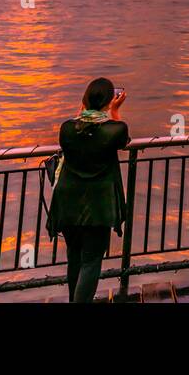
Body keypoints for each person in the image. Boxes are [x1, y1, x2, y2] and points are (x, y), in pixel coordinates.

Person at [47, 77, 130, 303]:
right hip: (98, 207)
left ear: (84, 101)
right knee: (91, 261)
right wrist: (114, 111)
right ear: (109, 100)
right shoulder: (115, 130)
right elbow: (123, 140)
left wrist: (86, 109)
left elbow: (79, 128)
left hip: (67, 203)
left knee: (74, 258)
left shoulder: (67, 129)